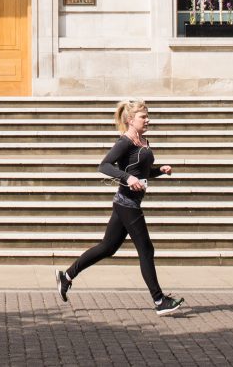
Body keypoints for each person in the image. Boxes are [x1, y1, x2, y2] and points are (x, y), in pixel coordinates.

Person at [56, 99, 184, 315]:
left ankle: (66, 276)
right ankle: (159, 300)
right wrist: (127, 177)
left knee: (108, 247)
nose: (148, 119)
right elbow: (104, 165)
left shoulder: (143, 141)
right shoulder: (124, 141)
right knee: (146, 248)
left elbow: (143, 171)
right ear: (130, 120)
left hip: (128, 203)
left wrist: (159, 170)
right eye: (143, 117)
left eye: (147, 115)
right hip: (127, 204)